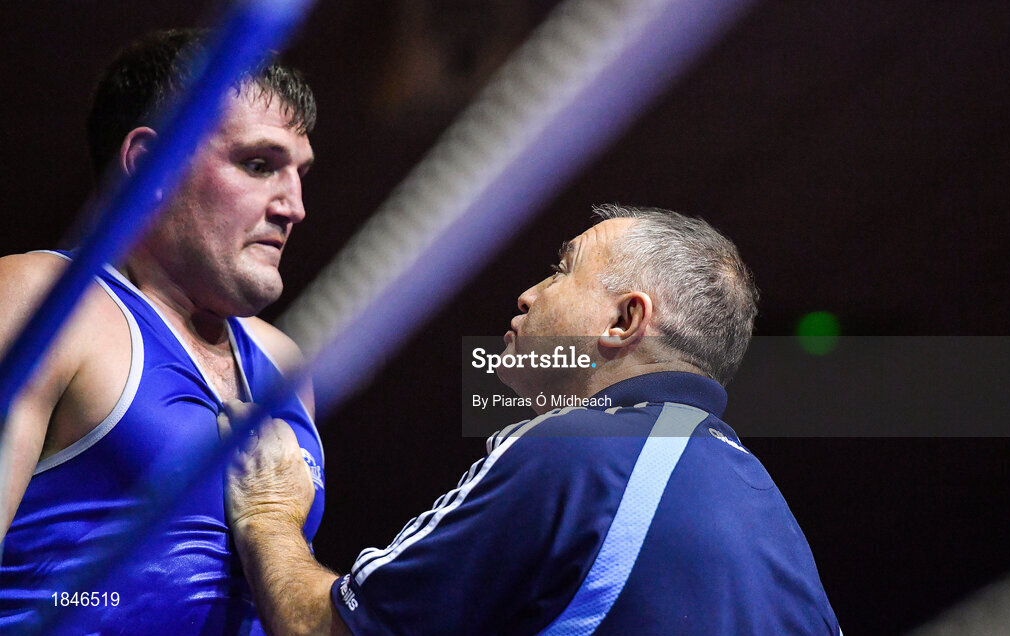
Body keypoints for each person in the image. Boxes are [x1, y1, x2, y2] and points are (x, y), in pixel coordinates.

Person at [224, 204, 843, 635]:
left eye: (561, 269)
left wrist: (269, 513)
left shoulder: (578, 450)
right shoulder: (780, 525)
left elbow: (336, 632)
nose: (529, 294)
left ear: (624, 321)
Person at [0, 29, 325, 634]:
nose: (293, 206)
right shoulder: (45, 301)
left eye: (300, 174)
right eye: (259, 165)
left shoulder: (283, 365)